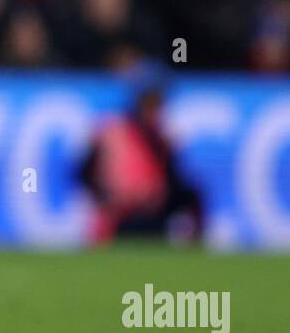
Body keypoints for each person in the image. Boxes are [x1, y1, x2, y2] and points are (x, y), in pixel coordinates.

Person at [79, 85, 203, 244]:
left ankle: (193, 243)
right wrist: (104, 197)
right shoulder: (116, 132)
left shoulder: (158, 137)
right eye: (151, 104)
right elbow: (84, 172)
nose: (155, 111)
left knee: (192, 197)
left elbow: (173, 181)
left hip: (152, 212)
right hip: (120, 214)